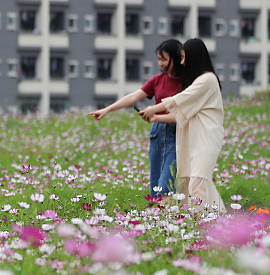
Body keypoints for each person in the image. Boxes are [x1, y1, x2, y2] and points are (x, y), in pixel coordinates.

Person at [89, 39, 184, 198]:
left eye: (164, 59)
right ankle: (158, 220)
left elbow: (183, 114)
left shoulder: (186, 83)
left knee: (165, 187)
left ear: (175, 59)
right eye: (158, 59)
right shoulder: (157, 80)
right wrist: (108, 109)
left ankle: (168, 217)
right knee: (155, 189)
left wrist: (156, 117)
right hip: (157, 134)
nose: (160, 63)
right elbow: (134, 96)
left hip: (176, 135)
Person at [140, 38, 224, 209]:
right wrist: (157, 118)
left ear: (194, 58)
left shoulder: (207, 80)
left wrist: (153, 109)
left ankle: (203, 224)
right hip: (194, 140)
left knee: (197, 184)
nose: (182, 62)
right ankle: (220, 220)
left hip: (206, 140)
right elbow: (182, 113)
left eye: (185, 58)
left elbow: (180, 100)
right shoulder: (199, 81)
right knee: (199, 184)